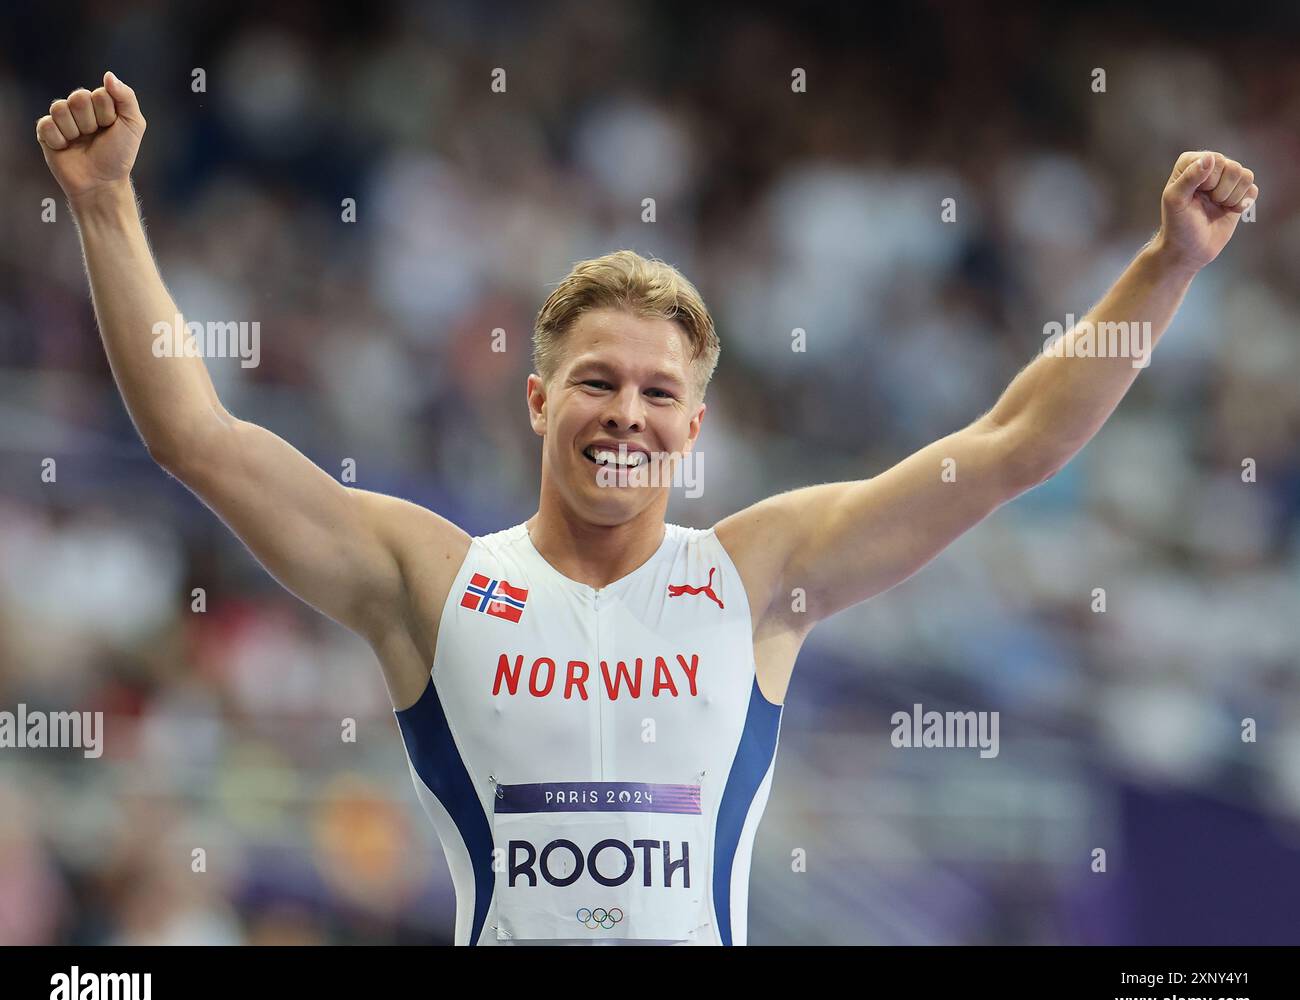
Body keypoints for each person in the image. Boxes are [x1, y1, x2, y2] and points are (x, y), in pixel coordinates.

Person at [37, 72, 1259, 945]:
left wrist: (1165, 267)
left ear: (696, 424)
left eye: (658, 392)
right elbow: (193, 437)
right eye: (597, 383)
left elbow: (1007, 449)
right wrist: (103, 205)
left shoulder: (755, 573)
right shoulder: (435, 579)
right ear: (534, 400)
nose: (627, 414)